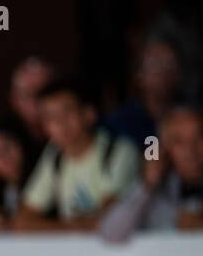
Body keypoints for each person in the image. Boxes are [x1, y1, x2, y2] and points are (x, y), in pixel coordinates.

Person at [15, 77, 140, 229]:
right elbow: (24, 219)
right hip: (74, 249)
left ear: (89, 114)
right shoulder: (55, 154)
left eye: (67, 112)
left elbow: (107, 219)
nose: (59, 123)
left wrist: (53, 227)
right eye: (50, 117)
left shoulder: (119, 151)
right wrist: (73, 228)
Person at [100, 105, 203, 241]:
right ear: (166, 148)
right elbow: (111, 233)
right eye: (179, 141)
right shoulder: (155, 191)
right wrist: (146, 185)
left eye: (199, 138)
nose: (190, 149)